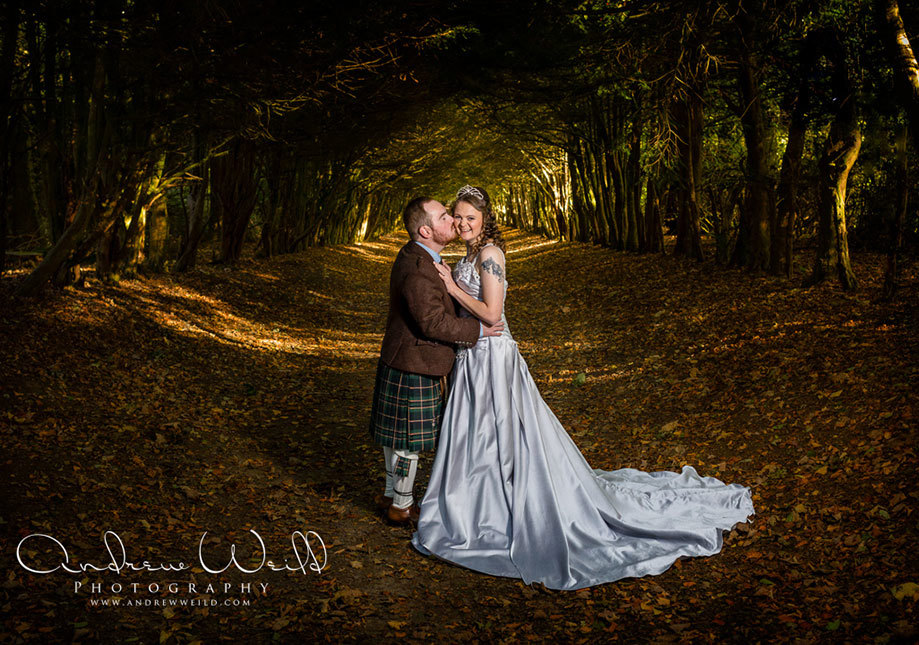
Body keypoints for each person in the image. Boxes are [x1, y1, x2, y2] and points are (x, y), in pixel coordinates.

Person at [410, 185, 755, 590]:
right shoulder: (469, 255)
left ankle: (502, 506)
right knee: (477, 435)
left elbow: (493, 313)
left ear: (486, 220)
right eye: (460, 216)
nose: (465, 223)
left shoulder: (490, 256)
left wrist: (452, 289)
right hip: (474, 354)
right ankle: (472, 503)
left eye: (472, 217)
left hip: (493, 356)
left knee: (499, 433)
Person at [368, 196, 504, 525]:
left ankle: (392, 494)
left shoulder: (423, 256)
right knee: (406, 442)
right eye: (446, 217)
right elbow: (433, 323)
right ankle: (400, 506)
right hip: (414, 361)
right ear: (427, 230)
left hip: (409, 357)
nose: (454, 222)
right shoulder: (418, 269)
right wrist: (479, 331)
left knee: (398, 438)